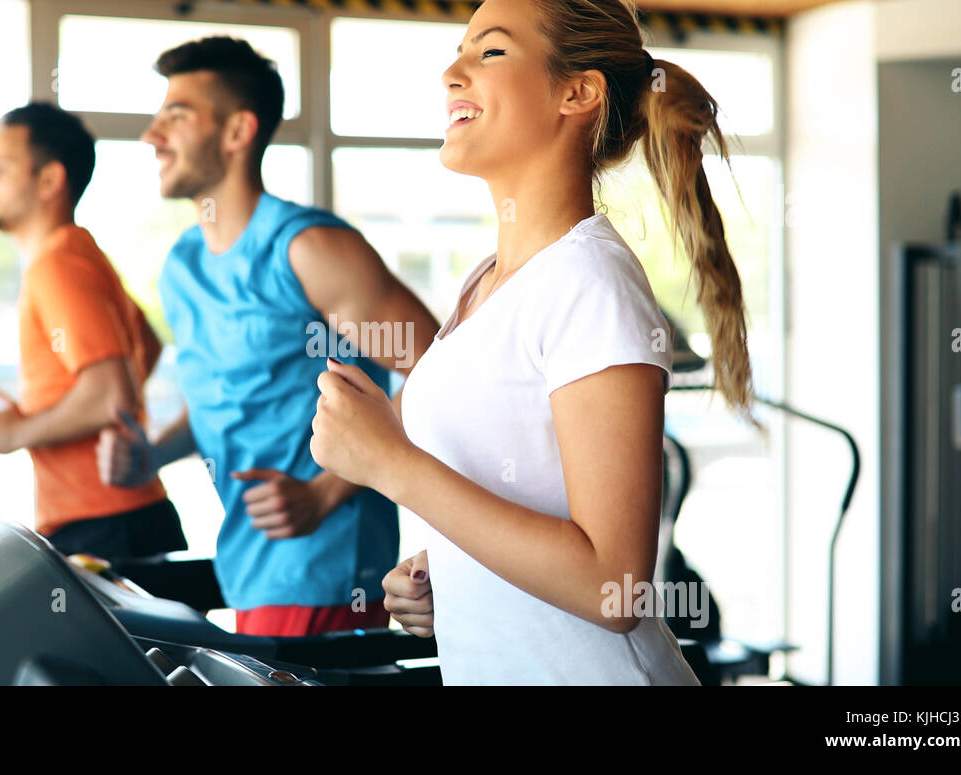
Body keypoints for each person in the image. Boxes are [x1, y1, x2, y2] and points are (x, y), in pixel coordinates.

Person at [309, 0, 753, 684]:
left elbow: (616, 585)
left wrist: (391, 465)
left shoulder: (590, 281)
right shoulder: (483, 284)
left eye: (488, 52)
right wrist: (450, 572)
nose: (452, 72)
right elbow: (526, 502)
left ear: (578, 91)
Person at [98, 37, 439, 637]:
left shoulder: (309, 249)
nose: (153, 136)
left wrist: (325, 492)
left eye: (176, 116)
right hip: (247, 571)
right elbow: (222, 400)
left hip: (330, 573)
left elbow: (442, 370)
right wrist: (150, 453)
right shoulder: (181, 266)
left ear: (237, 133)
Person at [0, 101, 186, 564]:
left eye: (2, 169)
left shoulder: (57, 265)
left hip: (105, 525)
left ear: (49, 181)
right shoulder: (78, 252)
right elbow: (144, 345)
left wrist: (16, 433)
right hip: (121, 518)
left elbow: (111, 394)